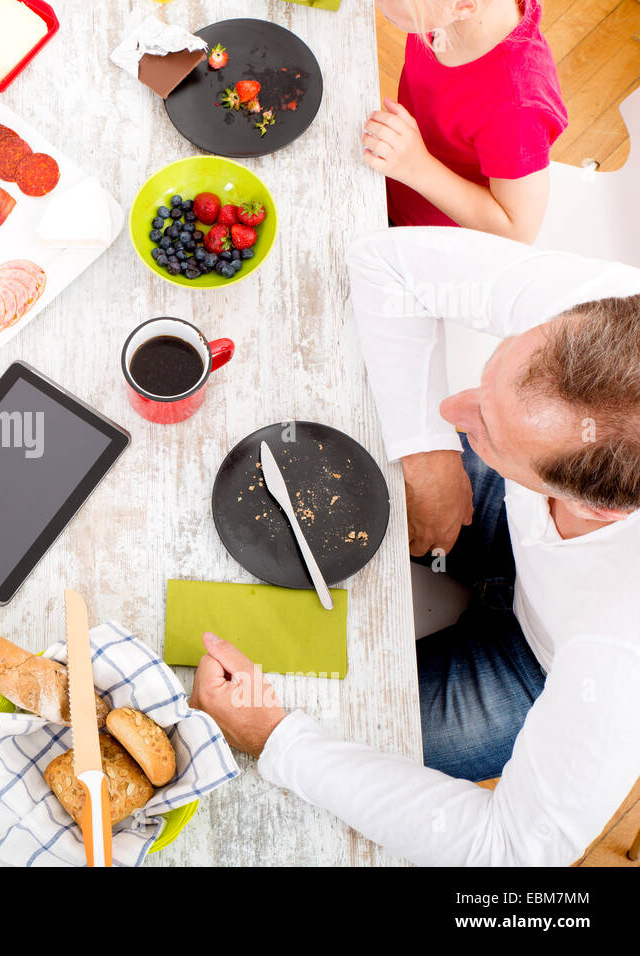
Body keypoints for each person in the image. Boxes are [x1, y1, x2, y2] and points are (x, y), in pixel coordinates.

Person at [190, 227, 640, 865]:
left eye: (486, 429)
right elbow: (386, 262)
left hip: (540, 674)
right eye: (487, 380)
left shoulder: (621, 657)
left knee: (324, 730)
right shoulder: (609, 314)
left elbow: (507, 852)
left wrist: (279, 741)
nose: (454, 408)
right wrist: (429, 454)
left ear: (598, 505)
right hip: (512, 525)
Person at [365, 0, 567, 242]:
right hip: (388, 171)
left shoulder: (517, 106)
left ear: (463, 6)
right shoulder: (442, 12)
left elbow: (517, 232)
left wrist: (416, 166)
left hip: (423, 236)